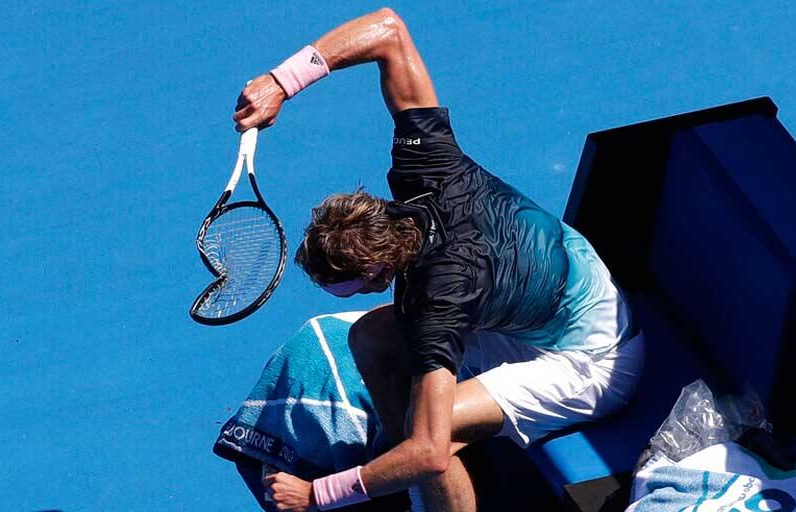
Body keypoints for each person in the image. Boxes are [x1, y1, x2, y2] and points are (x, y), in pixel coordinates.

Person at [233, 8, 645, 512]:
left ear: (377, 270)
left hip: (591, 362)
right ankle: (396, 473)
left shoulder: (438, 303)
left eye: (340, 285)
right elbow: (388, 30)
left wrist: (316, 495)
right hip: (539, 306)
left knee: (429, 433)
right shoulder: (426, 165)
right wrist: (282, 82)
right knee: (371, 338)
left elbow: (429, 453)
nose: (335, 293)